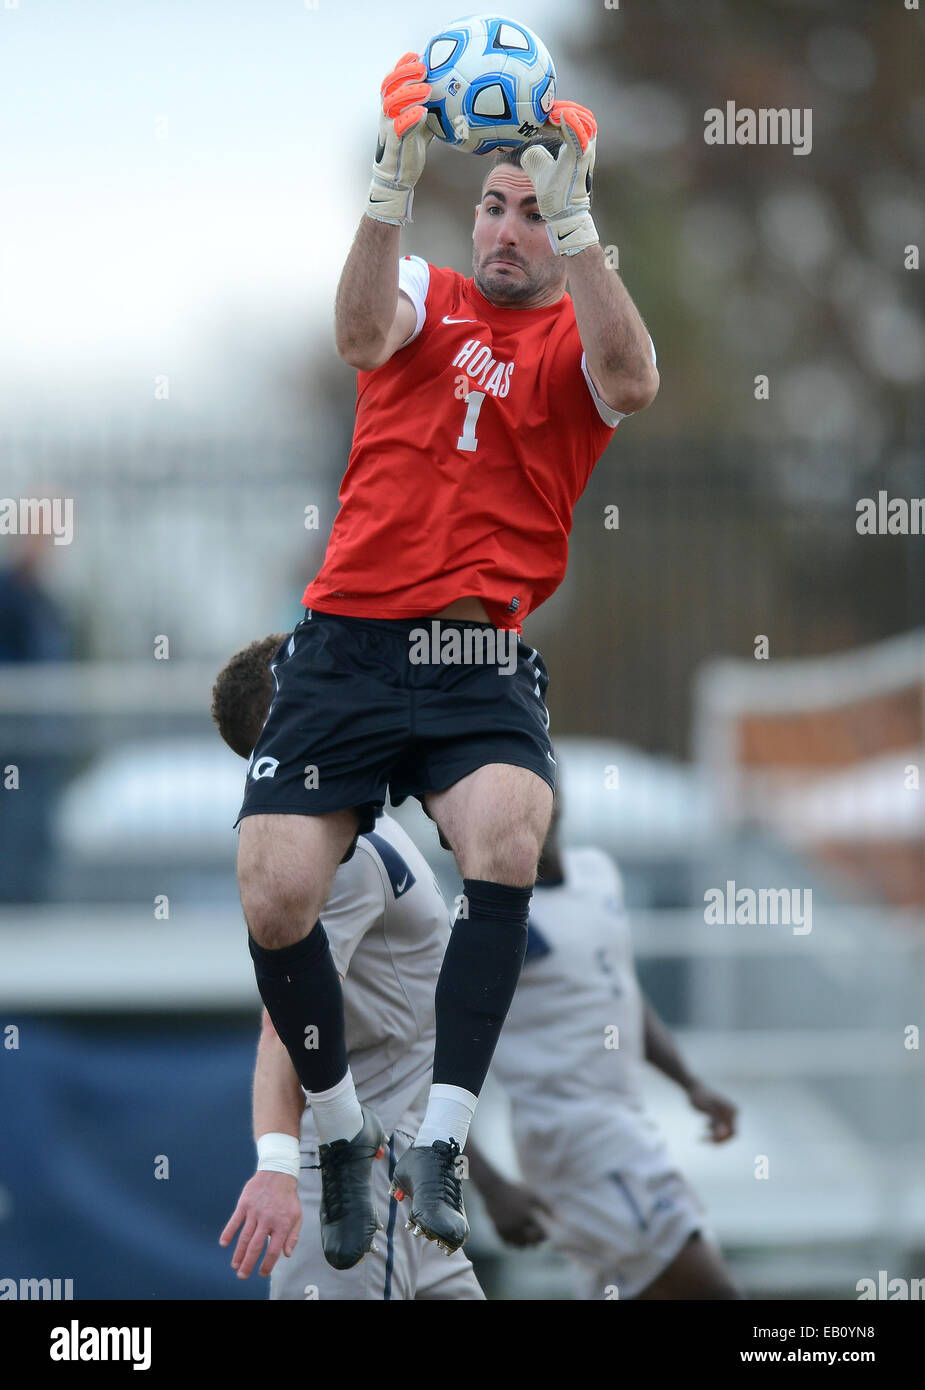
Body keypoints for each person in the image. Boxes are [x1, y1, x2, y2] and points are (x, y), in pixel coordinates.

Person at [234, 50, 659, 1269]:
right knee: (273, 891)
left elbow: (633, 376)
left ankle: (447, 1138)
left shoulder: (584, 334)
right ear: (465, 209)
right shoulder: (421, 288)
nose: (507, 229)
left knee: (511, 831)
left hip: (475, 662)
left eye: (533, 209)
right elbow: (359, 328)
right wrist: (386, 191)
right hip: (348, 645)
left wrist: (583, 224)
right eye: (494, 203)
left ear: (565, 218)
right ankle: (335, 1133)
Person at [213, 635, 486, 1297]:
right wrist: (277, 1164)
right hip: (361, 1173)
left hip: (396, 1157)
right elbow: (285, 1024)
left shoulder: (350, 824)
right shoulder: (338, 856)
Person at [483, 792, 741, 1299]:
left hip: (623, 1125)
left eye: (540, 777)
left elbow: (620, 991)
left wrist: (689, 1083)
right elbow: (427, 1058)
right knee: (713, 1291)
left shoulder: (598, 871)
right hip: (577, 1143)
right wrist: (491, 1187)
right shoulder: (495, 918)